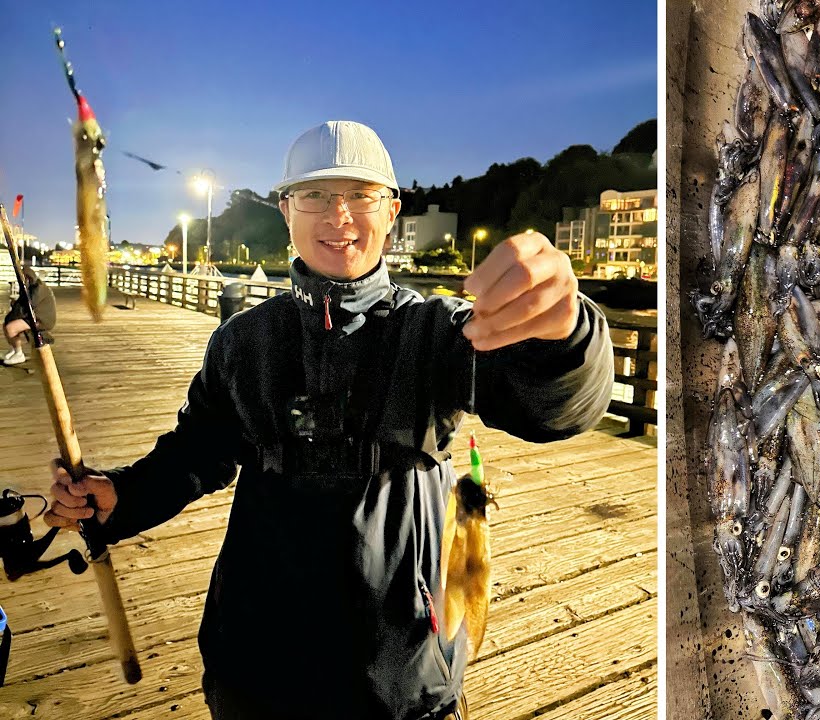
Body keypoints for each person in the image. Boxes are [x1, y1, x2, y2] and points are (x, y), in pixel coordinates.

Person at [43, 121, 614, 719]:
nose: (338, 216)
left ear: (392, 212)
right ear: (286, 210)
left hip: (400, 666)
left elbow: (556, 408)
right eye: (315, 196)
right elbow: (198, 451)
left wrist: (565, 335)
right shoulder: (243, 343)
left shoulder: (439, 332)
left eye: (360, 196)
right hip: (256, 661)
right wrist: (122, 494)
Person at [4, 264, 57, 366]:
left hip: (42, 320)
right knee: (6, 325)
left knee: (11, 328)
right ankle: (14, 349)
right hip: (33, 316)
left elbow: (27, 306)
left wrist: (15, 309)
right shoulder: (30, 288)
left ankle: (19, 354)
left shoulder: (38, 289)